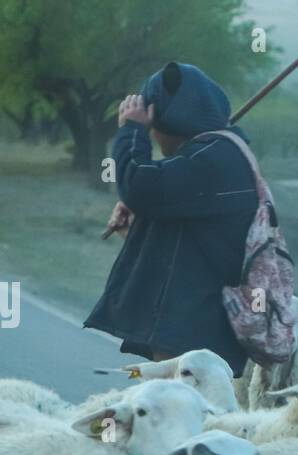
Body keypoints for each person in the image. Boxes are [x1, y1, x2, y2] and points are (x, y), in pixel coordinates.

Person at [85, 62, 259, 372]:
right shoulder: (214, 155)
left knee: (171, 417)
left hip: (194, 335)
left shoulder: (213, 158)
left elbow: (137, 185)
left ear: (169, 122)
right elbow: (187, 235)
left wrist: (131, 131)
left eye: (152, 130)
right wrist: (141, 224)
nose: (152, 137)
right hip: (191, 332)